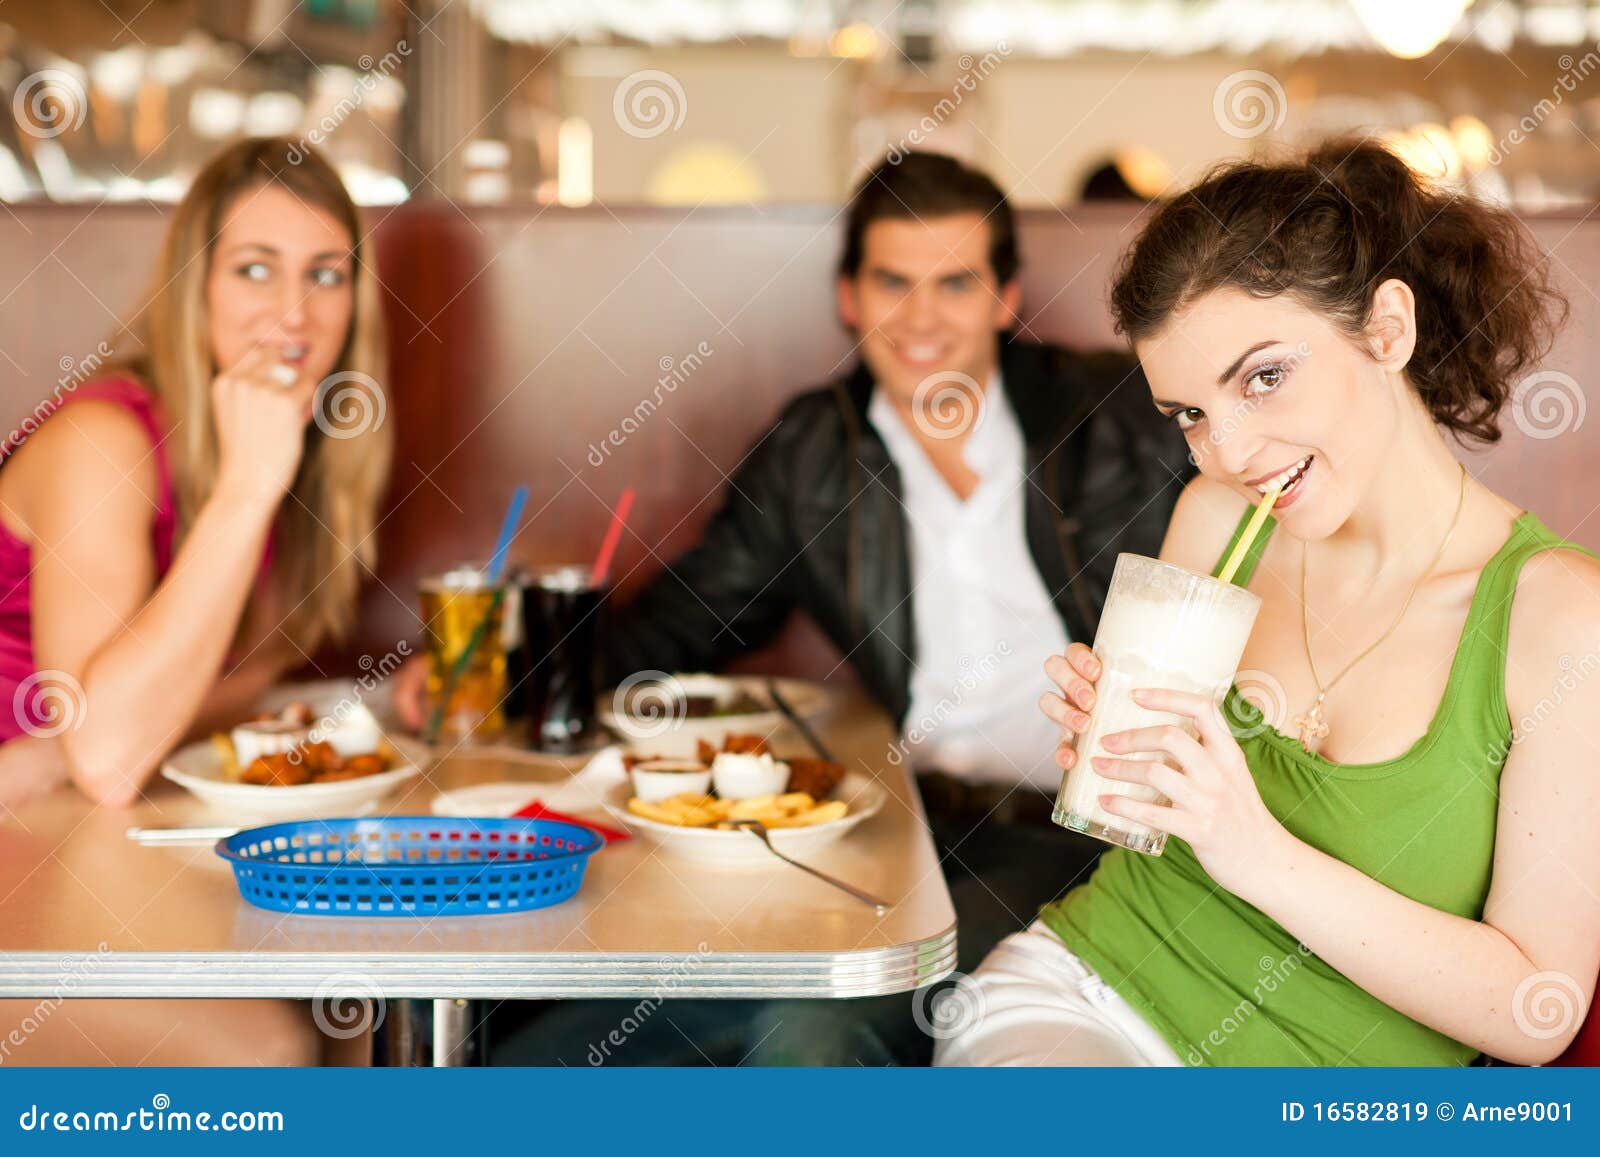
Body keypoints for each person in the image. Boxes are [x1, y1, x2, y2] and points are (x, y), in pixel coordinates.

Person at [463, 151, 1191, 1066]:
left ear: (1006, 298)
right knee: (555, 1033)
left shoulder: (1122, 412)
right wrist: (507, 670)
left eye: (954, 283)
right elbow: (688, 619)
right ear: (849, 297)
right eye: (893, 282)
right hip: (891, 821)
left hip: (1073, 834)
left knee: (815, 1019)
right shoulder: (816, 449)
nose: (920, 318)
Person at [938, 138, 1600, 1067]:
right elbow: (1140, 794)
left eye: (1263, 377)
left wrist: (1253, 850)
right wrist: (1122, 753)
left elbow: (1537, 1017)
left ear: (1387, 330)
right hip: (1086, 997)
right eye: (1191, 414)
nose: (1231, 453)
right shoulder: (1223, 520)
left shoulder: (1562, 620)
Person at [0, 136, 392, 1064]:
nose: (294, 314)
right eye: (255, 269)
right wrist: (251, 485)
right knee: (267, 1051)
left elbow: (200, 690)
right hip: (44, 831)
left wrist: (373, 700)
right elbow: (107, 754)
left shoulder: (270, 449)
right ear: (194, 286)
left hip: (52, 823)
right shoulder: (107, 438)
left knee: (350, 1012)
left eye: (326, 275)